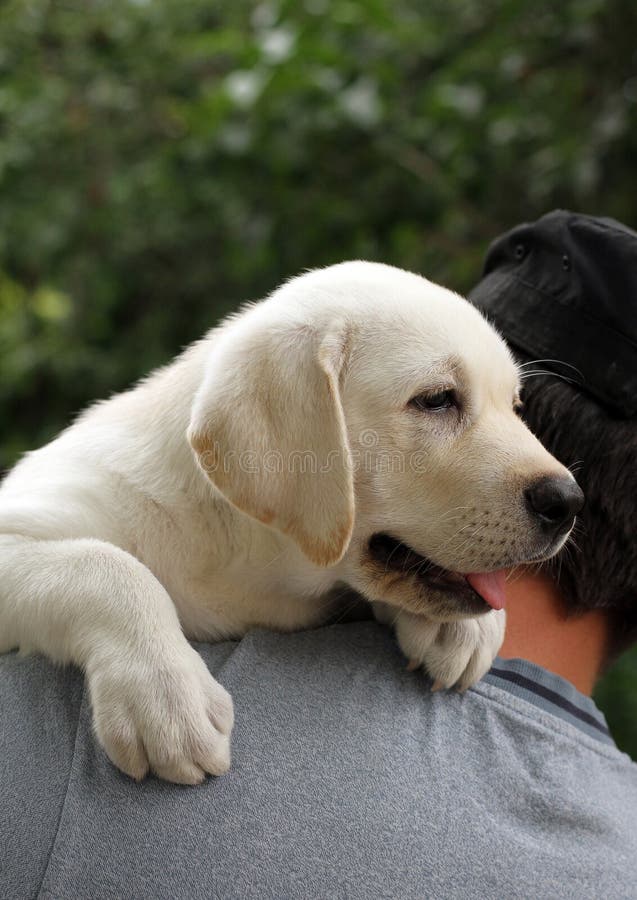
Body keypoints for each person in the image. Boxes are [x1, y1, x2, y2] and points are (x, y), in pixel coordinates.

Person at [1, 210, 636, 900]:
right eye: (438, 401)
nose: (544, 472)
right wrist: (115, 614)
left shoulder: (317, 565)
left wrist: (429, 581)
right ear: (293, 417)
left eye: (509, 406)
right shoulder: (107, 491)